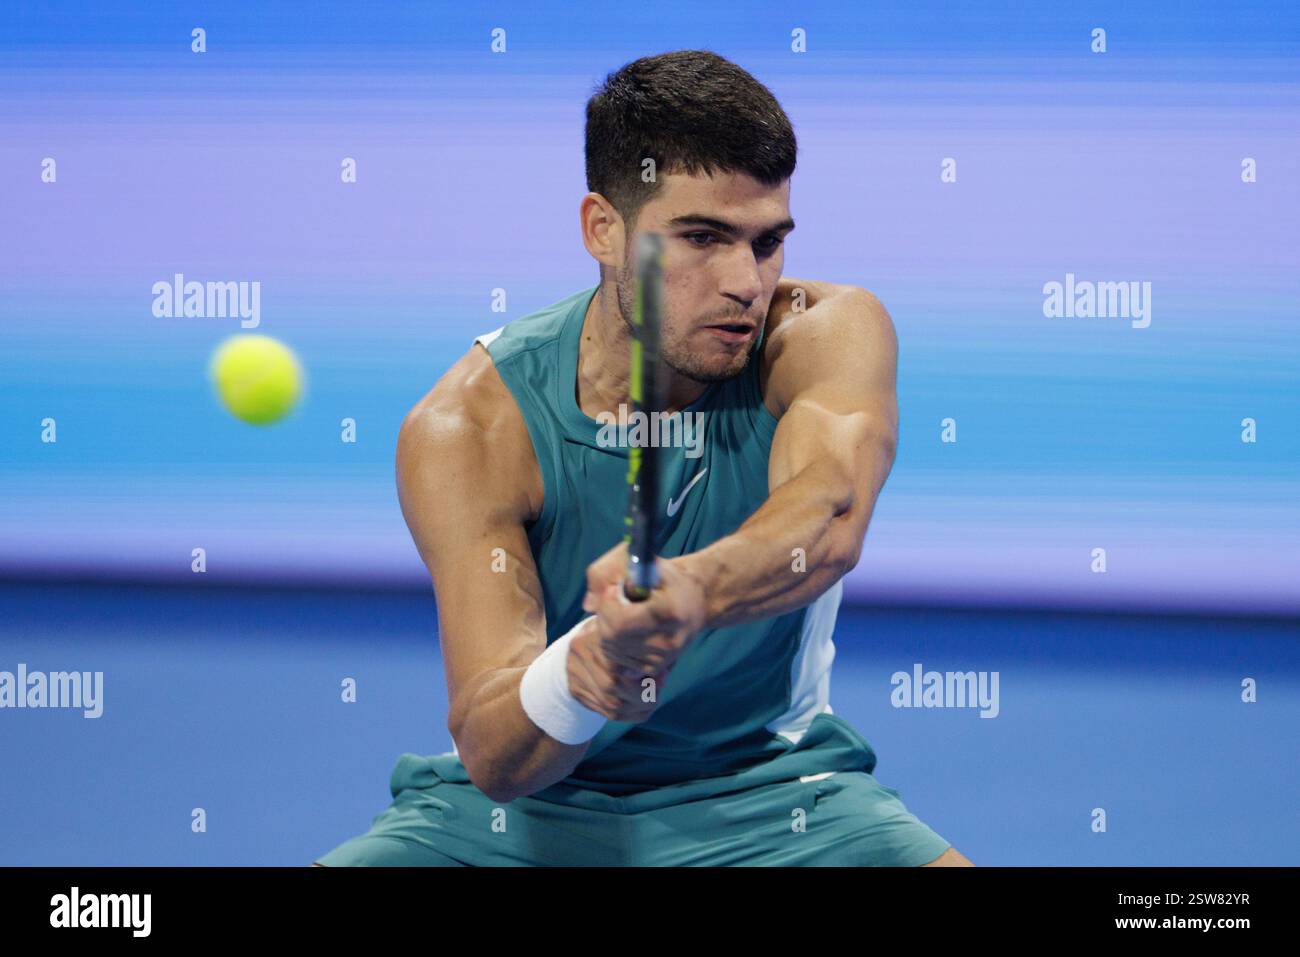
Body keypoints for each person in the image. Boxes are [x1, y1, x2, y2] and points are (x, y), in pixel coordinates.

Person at [316, 49, 972, 867]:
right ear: (603, 228)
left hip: (775, 794)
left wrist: (692, 589)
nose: (746, 282)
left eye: (768, 243)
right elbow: (495, 755)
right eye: (701, 238)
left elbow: (830, 515)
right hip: (520, 822)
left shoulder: (825, 333)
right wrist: (587, 672)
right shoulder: (470, 425)